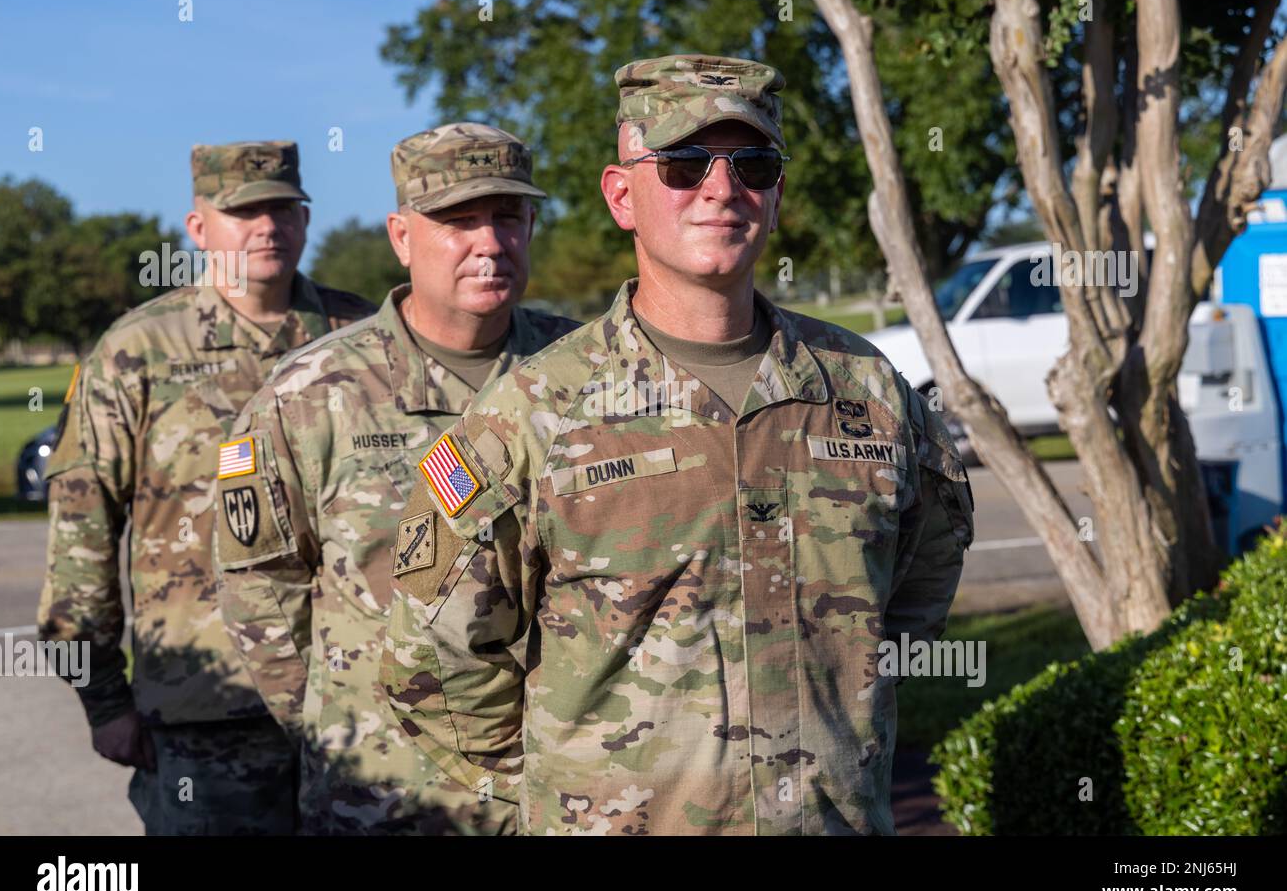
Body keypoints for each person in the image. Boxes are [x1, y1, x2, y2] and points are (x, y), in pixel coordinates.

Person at [380, 54, 975, 835]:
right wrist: (570, 798)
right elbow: (437, 660)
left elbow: (915, 590)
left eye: (753, 163)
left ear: (777, 192)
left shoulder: (865, 391)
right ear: (621, 195)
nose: (722, 189)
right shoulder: (535, 411)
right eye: (684, 163)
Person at [215, 123, 579, 834]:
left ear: (531, 224)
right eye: (456, 219)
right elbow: (260, 592)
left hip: (561, 792)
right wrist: (343, 731)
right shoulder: (310, 394)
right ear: (402, 236)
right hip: (386, 798)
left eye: (507, 215)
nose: (488, 242)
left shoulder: (584, 374)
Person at [38, 140, 376, 834]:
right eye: (244, 211)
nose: (267, 226)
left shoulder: (365, 335)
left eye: (284, 208)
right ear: (198, 229)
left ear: (306, 220)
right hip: (207, 708)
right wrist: (103, 700)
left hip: (358, 703)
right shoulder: (139, 351)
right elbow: (82, 532)